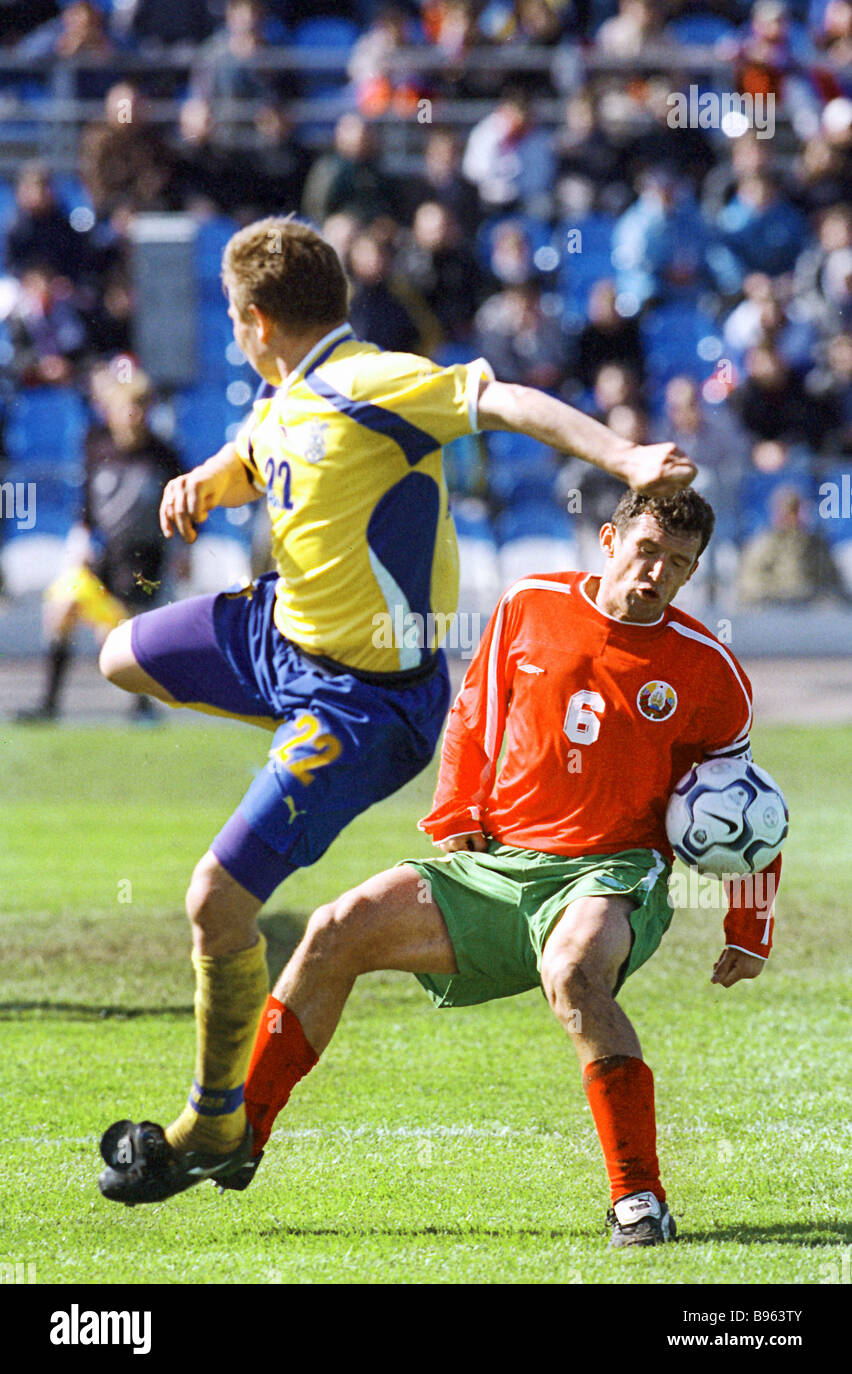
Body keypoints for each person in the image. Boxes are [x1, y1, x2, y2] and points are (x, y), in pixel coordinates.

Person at [95, 215, 696, 1205]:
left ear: (252, 321)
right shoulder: (283, 393)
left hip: (367, 701)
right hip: (274, 640)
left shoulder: (377, 385)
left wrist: (626, 458)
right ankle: (292, 735)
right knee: (122, 655)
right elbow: (260, 447)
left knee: (216, 901)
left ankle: (214, 1117)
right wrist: (208, 478)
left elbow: (504, 399)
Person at [219, 487, 781, 1249]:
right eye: (648, 551)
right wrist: (457, 814)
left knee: (577, 968)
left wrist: (750, 926)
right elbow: (476, 711)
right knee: (334, 929)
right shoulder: (531, 602)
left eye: (679, 565)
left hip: (613, 871)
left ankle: (639, 1200)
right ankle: (239, 1135)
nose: (657, 574)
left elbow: (747, 811)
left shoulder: (710, 669)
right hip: (501, 864)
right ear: (611, 539)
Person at [17, 365, 181, 722]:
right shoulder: (97, 444)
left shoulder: (163, 455)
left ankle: (142, 708)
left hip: (142, 565)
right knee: (60, 609)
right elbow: (88, 506)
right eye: (127, 406)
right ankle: (48, 705)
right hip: (102, 558)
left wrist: (183, 551)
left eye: (140, 406)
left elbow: (183, 507)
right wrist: (80, 543)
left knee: (118, 642)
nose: (133, 414)